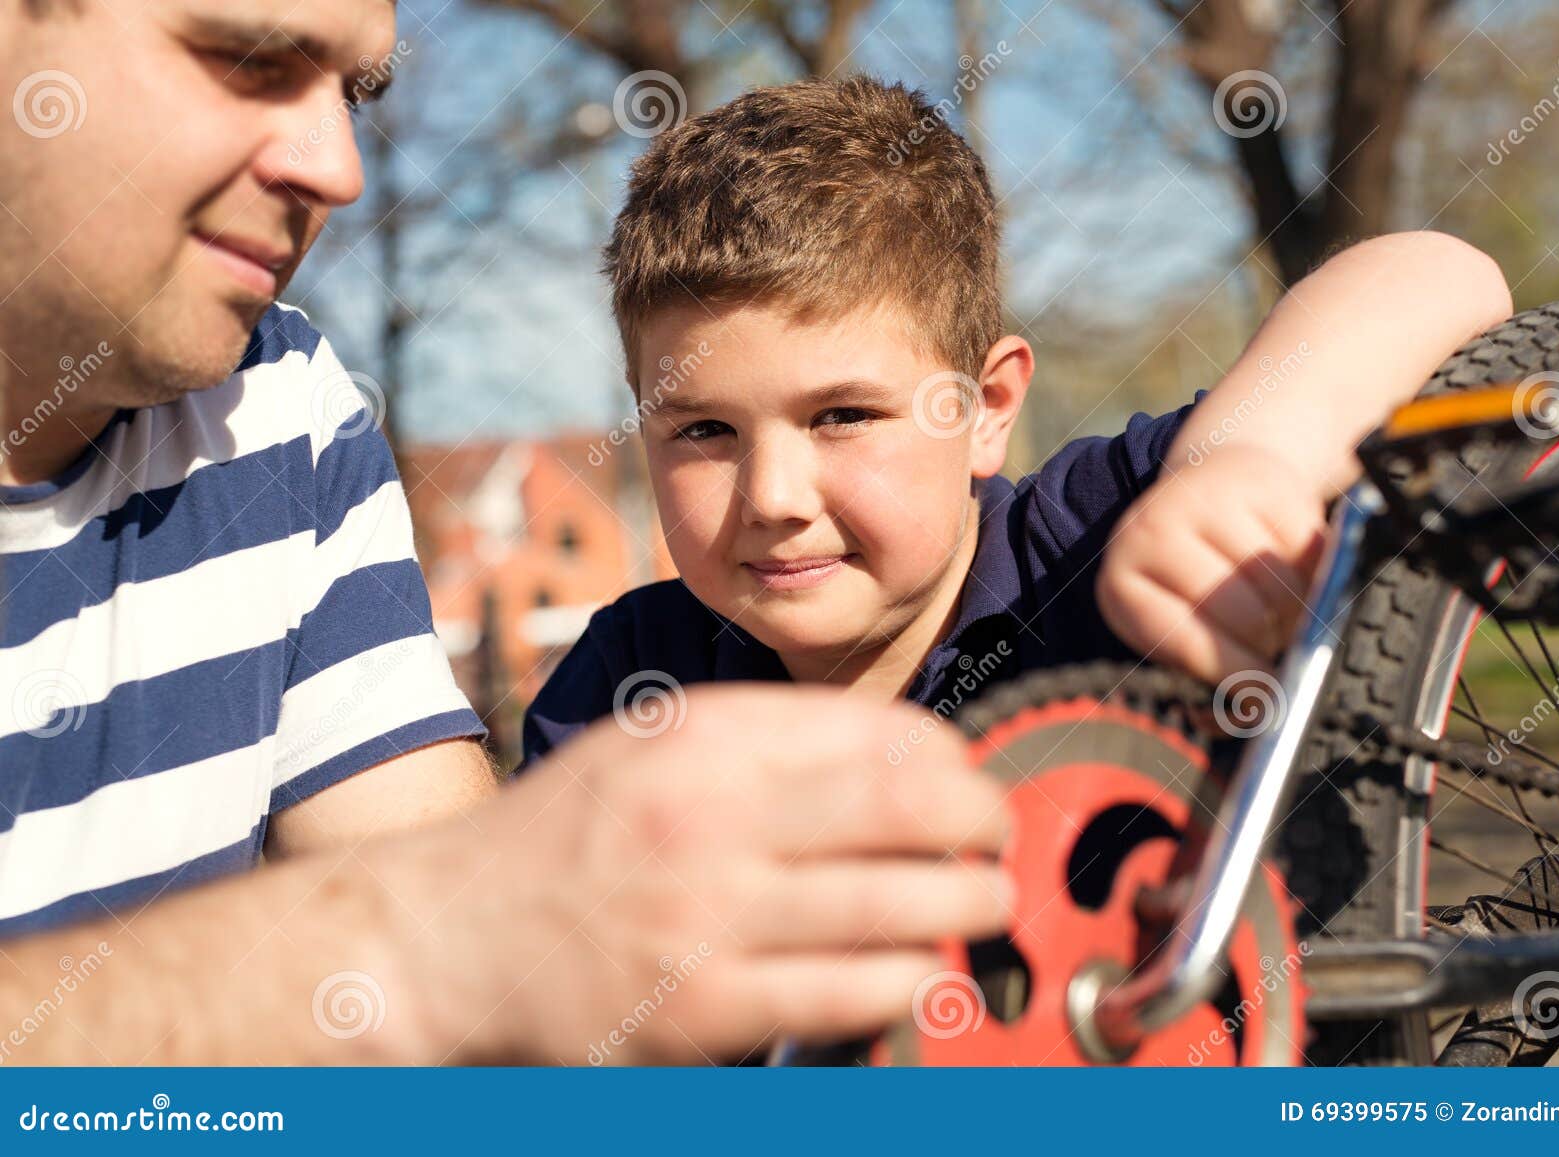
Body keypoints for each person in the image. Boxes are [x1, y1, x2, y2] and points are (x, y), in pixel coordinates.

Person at [0, 2, 1011, 1064]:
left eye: (355, 94)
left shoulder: (278, 413)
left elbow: (481, 1036)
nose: (339, 170)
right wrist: (419, 953)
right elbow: (463, 952)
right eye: (248, 58)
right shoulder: (627, 668)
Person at [521, 76, 1515, 763]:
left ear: (987, 407)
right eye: (703, 432)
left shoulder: (1096, 540)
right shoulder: (625, 686)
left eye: (843, 415)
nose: (773, 498)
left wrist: (1250, 462)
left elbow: (1436, 275)